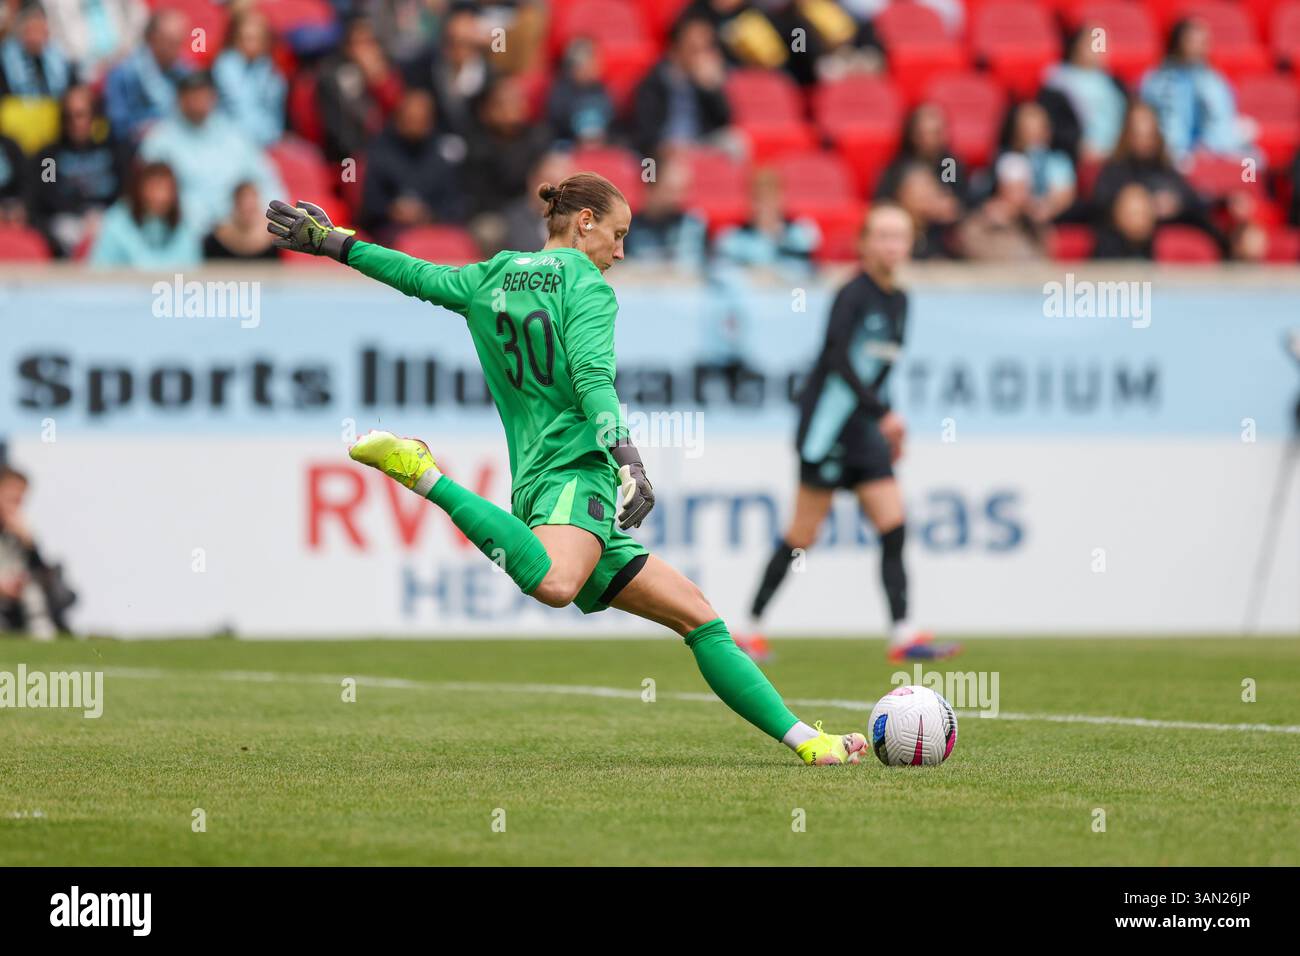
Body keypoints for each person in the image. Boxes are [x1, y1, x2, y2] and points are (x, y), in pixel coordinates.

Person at [264, 173, 871, 766]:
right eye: (617, 233)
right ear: (585, 223)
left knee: (699, 617)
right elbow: (591, 379)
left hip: (541, 482)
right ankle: (425, 474)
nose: (621, 250)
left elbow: (414, 275)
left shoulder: (492, 275)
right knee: (555, 584)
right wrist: (627, 455)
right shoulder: (586, 284)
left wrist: (332, 242)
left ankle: (805, 741)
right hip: (578, 473)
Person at [740, 204, 959, 664]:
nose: (891, 245)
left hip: (864, 430)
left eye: (899, 236)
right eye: (882, 235)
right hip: (828, 430)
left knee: (894, 526)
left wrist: (886, 418)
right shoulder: (852, 294)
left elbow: (877, 370)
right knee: (801, 535)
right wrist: (883, 414)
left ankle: (902, 635)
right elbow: (837, 359)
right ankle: (749, 628)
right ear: (864, 243)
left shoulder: (901, 300)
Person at [139, 70, 283, 234]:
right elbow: (148, 197)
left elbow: (268, 184)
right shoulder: (158, 142)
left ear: (214, 98)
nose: (198, 102)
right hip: (181, 235)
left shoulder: (236, 136)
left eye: (203, 95)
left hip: (236, 235)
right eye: (192, 96)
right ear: (179, 99)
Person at [31, 84, 129, 256]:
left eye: (81, 115)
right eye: (68, 116)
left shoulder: (113, 152)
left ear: (93, 116)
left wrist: (100, 217)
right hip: (66, 224)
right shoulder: (49, 156)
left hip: (106, 222)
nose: (75, 123)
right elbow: (47, 196)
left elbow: (123, 194)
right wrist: (81, 214)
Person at [1140, 17, 1251, 162]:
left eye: (1203, 42)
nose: (1199, 47)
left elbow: (1222, 122)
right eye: (1192, 41)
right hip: (1168, 156)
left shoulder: (1215, 82)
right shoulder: (1156, 81)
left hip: (1210, 155)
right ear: (1177, 42)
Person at [0, 465, 74, 638]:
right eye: (11, 499)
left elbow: (41, 572)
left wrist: (30, 543)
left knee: (33, 591)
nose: (16, 506)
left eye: (20, 500)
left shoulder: (17, 532)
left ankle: (44, 640)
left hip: (16, 600)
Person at [89, 160, 199, 267]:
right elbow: (101, 271)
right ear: (139, 189)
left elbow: (192, 272)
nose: (160, 196)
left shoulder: (183, 226)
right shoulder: (116, 223)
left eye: (166, 189)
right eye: (154, 188)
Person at [102, 8, 190, 141]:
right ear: (153, 39)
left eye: (179, 43)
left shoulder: (184, 72)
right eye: (171, 43)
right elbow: (119, 126)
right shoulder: (123, 74)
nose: (177, 50)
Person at [212, 7, 286, 148]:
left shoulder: (271, 70)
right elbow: (240, 111)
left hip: (268, 141)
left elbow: (274, 115)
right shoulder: (225, 65)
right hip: (231, 142)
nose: (251, 44)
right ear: (235, 39)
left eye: (257, 39)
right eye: (246, 38)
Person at [204, 181, 277, 260]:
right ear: (235, 205)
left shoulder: (275, 239)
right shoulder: (215, 239)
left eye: (251, 209)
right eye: (242, 205)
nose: (246, 208)